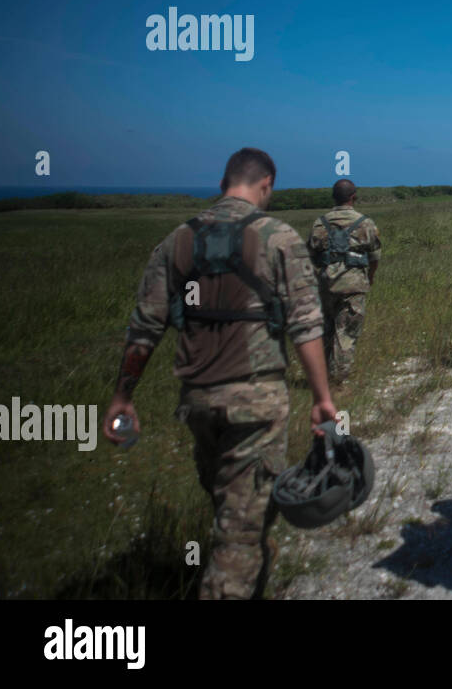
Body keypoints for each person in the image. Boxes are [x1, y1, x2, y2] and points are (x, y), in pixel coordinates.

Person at [103, 148, 336, 599]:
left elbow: (145, 329)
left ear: (224, 181)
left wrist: (122, 397)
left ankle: (251, 574)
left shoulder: (177, 241)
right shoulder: (278, 237)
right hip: (256, 402)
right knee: (240, 534)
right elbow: (306, 323)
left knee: (231, 508)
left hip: (197, 403)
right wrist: (321, 397)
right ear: (266, 184)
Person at [308, 179, 381, 386]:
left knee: (327, 330)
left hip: (325, 285)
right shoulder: (365, 222)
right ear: (353, 197)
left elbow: (310, 256)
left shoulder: (320, 222)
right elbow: (375, 257)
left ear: (333, 197)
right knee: (346, 333)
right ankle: (338, 381)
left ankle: (323, 377)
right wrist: (370, 277)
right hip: (353, 284)